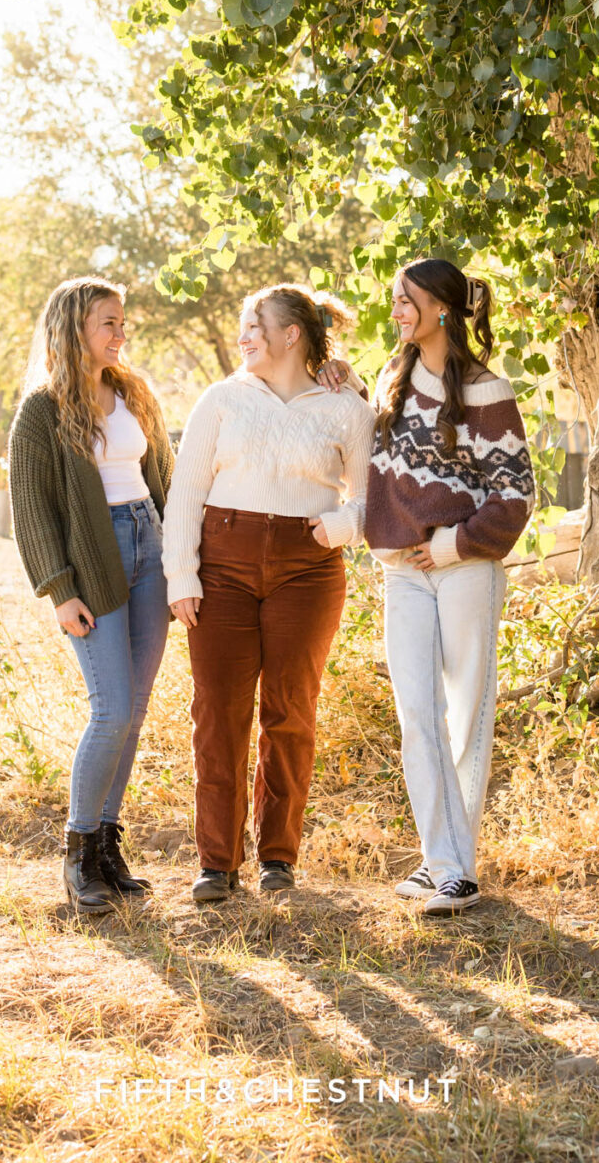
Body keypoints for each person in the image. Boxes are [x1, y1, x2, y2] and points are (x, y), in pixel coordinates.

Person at [162, 283, 375, 903]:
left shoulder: (346, 407)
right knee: (218, 711)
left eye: (255, 325)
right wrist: (182, 576)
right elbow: (185, 493)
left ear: (291, 334)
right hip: (221, 567)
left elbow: (372, 499)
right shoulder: (221, 399)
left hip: (307, 569)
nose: (243, 336)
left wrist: (338, 527)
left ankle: (278, 857)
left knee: (290, 711)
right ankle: (217, 862)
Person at [363, 258, 535, 917]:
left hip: (464, 568)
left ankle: (454, 870)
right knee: (418, 717)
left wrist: (449, 545)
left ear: (441, 308)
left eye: (406, 301)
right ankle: (444, 862)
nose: (397, 312)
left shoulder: (488, 392)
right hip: (403, 574)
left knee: (466, 716)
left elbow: (515, 495)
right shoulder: (392, 380)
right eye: (395, 300)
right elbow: (374, 473)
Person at [8, 277, 174, 914]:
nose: (120, 333)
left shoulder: (133, 392)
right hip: (94, 562)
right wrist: (59, 590)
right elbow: (31, 510)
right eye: (109, 322)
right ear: (74, 326)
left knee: (135, 709)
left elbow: (163, 479)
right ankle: (78, 853)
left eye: (122, 322)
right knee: (111, 710)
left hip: (150, 547)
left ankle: (107, 846)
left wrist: (182, 562)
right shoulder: (42, 411)